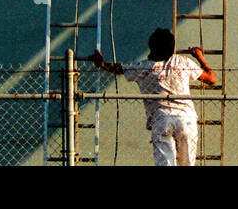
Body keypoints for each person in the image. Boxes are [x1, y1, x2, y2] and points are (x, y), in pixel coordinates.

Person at [89, 27, 217, 166]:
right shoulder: (183, 63)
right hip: (186, 119)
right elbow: (211, 79)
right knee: (187, 164)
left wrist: (102, 64)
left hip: (161, 119)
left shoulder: (143, 67)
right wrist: (200, 57)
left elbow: (119, 69)